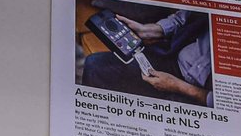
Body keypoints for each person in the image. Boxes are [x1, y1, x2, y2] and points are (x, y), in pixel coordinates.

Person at [78, 7, 212, 106]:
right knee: (95, 64)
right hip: (173, 56)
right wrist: (149, 30)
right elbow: (183, 18)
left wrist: (179, 87)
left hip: (196, 94)